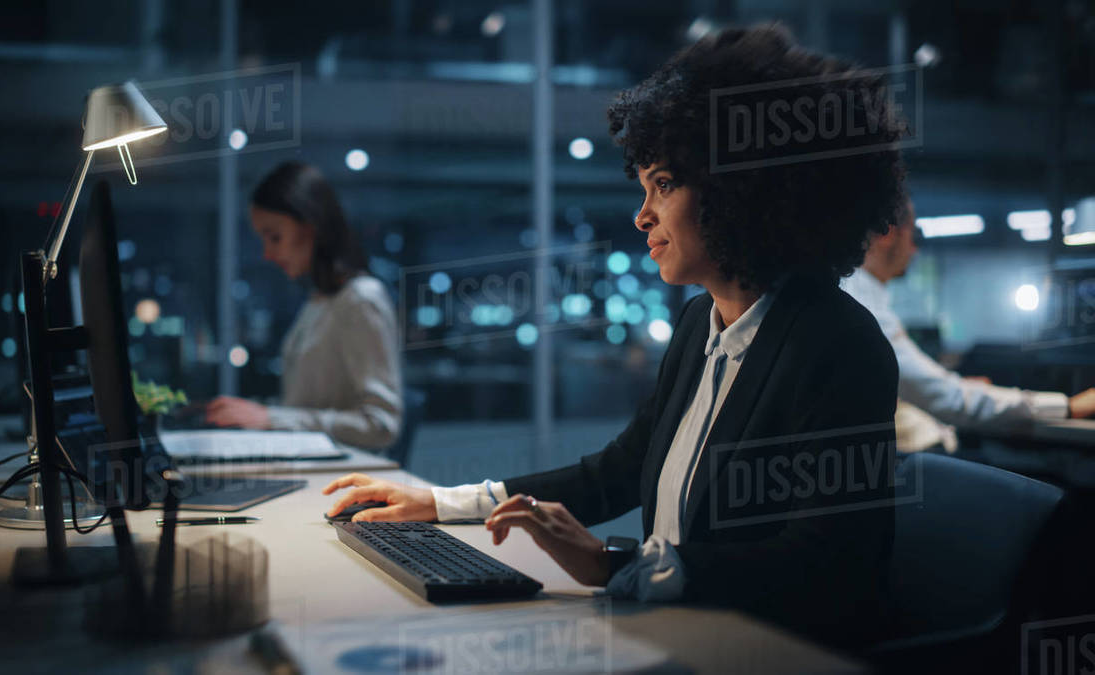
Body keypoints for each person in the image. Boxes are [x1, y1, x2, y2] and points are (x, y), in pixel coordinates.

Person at [325, 25, 906, 648]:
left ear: (743, 187)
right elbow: (620, 472)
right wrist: (443, 503)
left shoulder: (841, 344)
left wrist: (615, 565)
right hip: (675, 634)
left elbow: (826, 570)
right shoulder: (698, 325)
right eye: (643, 188)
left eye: (663, 184)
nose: (642, 214)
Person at [841, 198, 1095, 453]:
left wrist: (952, 385)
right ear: (888, 232)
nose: (914, 250)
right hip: (912, 461)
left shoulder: (856, 297)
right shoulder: (863, 308)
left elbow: (920, 387)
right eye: (914, 235)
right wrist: (1069, 406)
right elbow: (948, 399)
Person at [205, 161, 403, 450]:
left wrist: (272, 418)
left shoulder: (360, 299)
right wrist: (259, 414)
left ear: (311, 229)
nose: (267, 254)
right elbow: (305, 408)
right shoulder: (320, 301)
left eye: (275, 237)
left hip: (344, 482)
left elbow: (381, 425)